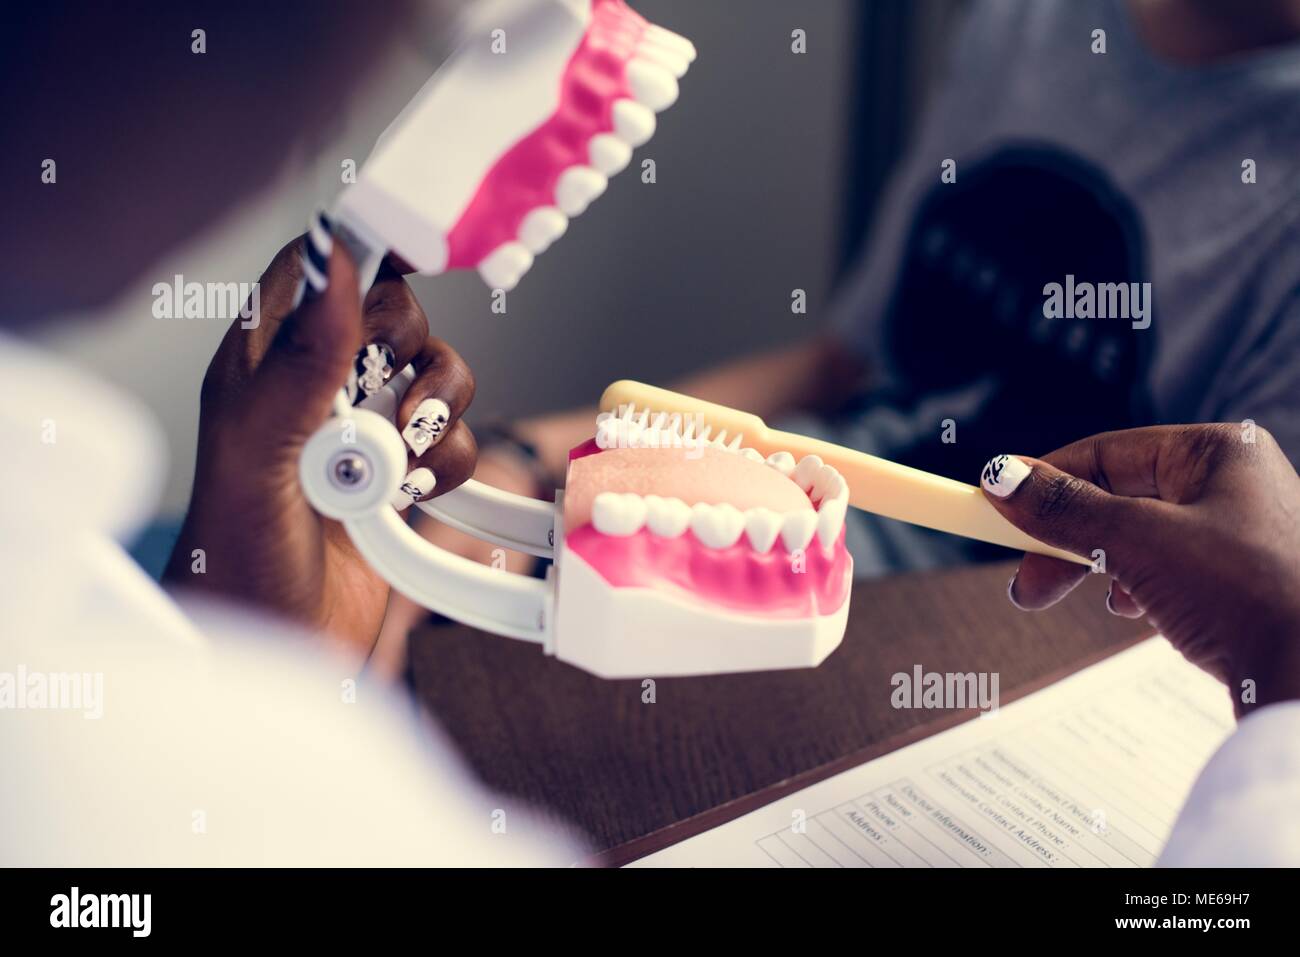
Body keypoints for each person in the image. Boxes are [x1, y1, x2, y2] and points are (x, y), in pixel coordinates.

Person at [0, 0, 1297, 866]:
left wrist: (277, 657)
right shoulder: (1035, 24)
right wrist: (524, 461)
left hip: (983, 638)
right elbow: (845, 359)